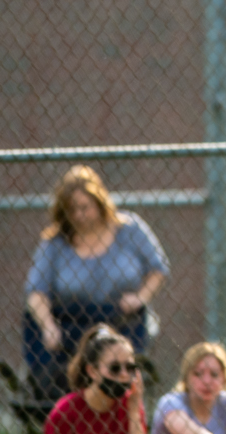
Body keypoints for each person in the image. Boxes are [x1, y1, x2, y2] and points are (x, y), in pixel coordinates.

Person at [24, 165, 170, 399]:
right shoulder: (55, 243)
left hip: (121, 319)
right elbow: (35, 291)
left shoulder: (129, 229)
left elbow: (158, 268)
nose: (79, 215)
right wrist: (48, 326)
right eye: (72, 210)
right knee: (40, 341)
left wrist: (141, 297)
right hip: (69, 323)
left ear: (99, 202)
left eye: (85, 207)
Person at [43, 323, 147, 434]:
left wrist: (134, 411)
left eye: (130, 367)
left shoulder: (131, 405)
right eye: (115, 368)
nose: (124, 374)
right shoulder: (64, 413)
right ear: (93, 371)